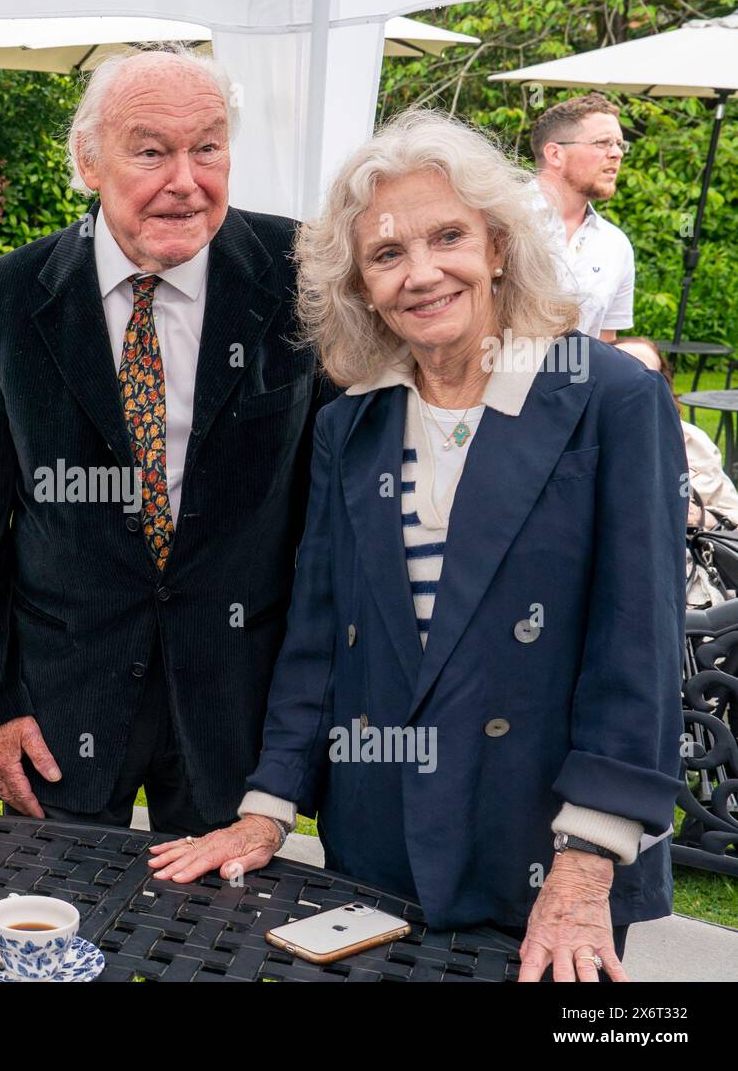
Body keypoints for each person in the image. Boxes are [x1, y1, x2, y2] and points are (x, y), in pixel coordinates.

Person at [147, 110, 685, 983]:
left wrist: (586, 867)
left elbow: (641, 647)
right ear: (360, 285)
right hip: (378, 843)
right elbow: (315, 641)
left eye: (448, 237)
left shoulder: (609, 399)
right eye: (387, 254)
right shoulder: (350, 425)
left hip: (543, 850)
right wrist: (268, 808)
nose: (422, 274)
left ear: (500, 246)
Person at [0, 48, 331, 836]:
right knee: (60, 937)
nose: (185, 180)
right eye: (151, 150)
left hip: (235, 702)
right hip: (63, 704)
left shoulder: (302, 276)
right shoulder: (7, 299)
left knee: (221, 945)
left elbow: (329, 521)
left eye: (208, 147)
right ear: (89, 161)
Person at [531, 94, 636, 342]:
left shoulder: (616, 245)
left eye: (620, 144)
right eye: (602, 143)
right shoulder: (500, 220)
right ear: (555, 154)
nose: (616, 154)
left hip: (579, 378)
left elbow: (605, 344)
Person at [616, 336, 738, 531]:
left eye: (645, 374)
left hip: (693, 555)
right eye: (622, 373)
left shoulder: (692, 440)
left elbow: (733, 511)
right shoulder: (579, 443)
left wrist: (705, 517)